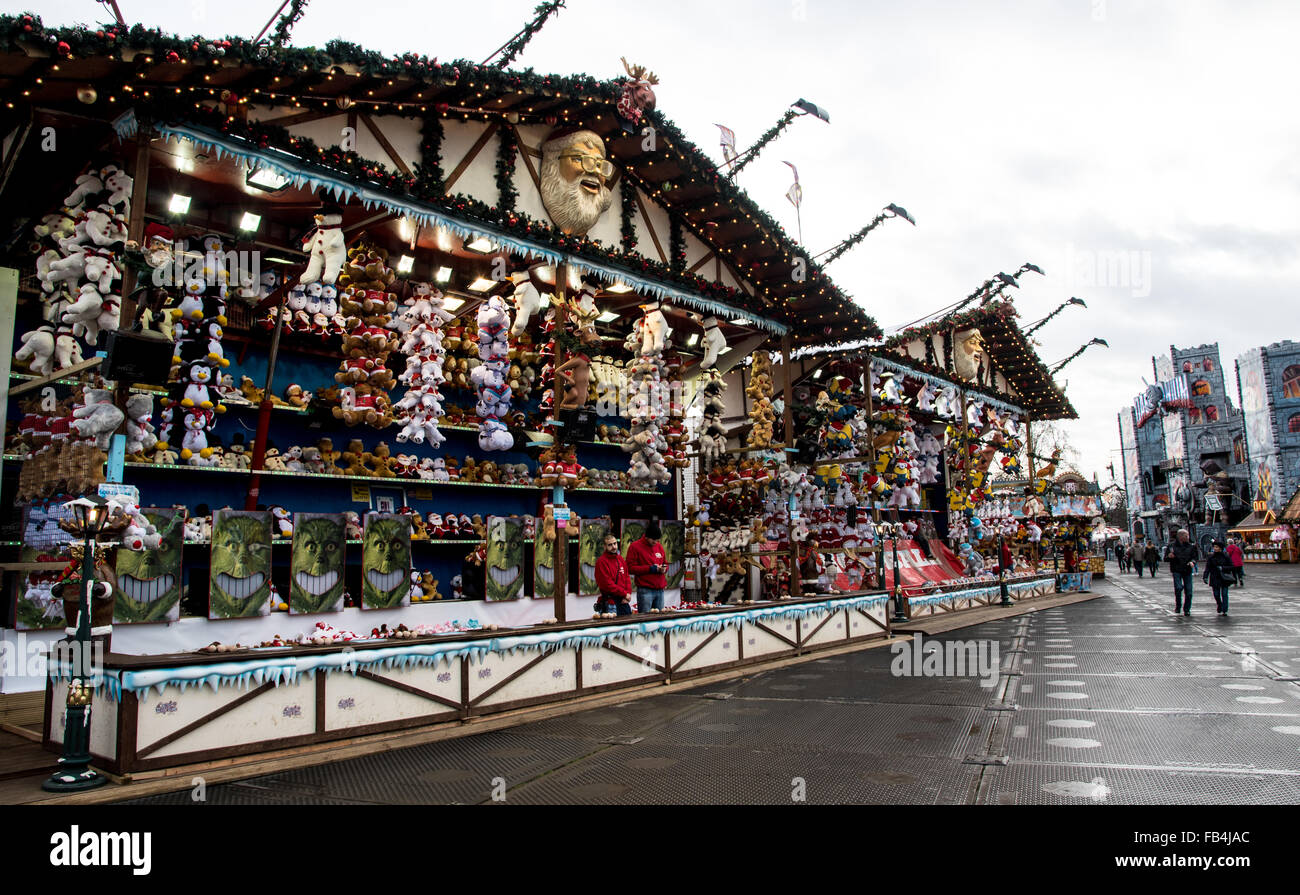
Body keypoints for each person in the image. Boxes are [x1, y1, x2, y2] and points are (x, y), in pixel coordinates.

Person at [627, 520, 668, 613]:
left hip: (660, 589)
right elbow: (630, 568)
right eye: (653, 539)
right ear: (646, 536)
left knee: (660, 619)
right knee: (645, 618)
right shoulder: (635, 547)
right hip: (645, 590)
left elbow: (665, 562)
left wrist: (664, 568)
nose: (655, 542)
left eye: (657, 540)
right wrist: (650, 568)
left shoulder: (659, 546)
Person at [594, 534, 632, 616]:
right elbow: (607, 584)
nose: (614, 547)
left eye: (615, 543)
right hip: (610, 602)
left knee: (629, 626)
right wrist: (625, 594)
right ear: (604, 547)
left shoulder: (620, 559)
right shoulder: (601, 562)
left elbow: (627, 578)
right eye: (610, 545)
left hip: (623, 600)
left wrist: (627, 594)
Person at [1164, 529, 1199, 616]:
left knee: (1189, 591)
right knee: (1178, 588)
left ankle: (1187, 608)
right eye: (1186, 536)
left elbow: (1195, 557)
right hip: (1176, 569)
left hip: (1187, 570)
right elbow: (1165, 558)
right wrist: (1169, 557)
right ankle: (1178, 605)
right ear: (1181, 536)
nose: (1188, 537)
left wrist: (1193, 562)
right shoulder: (1172, 546)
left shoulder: (1191, 546)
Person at [1203, 539, 1233, 616]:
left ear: (1220, 548)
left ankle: (1225, 609)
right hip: (1214, 577)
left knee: (1224, 594)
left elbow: (1231, 566)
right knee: (1216, 594)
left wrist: (1223, 568)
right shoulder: (1211, 557)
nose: (1215, 548)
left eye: (1216, 547)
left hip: (1224, 578)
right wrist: (1205, 576)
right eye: (1214, 547)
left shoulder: (1226, 556)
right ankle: (1219, 604)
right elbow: (1208, 567)